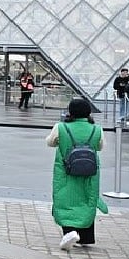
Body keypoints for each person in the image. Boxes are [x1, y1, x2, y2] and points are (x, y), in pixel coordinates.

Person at [47, 98, 108, 250]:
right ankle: (86, 236)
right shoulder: (96, 129)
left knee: (65, 199)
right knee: (87, 199)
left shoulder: (61, 127)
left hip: (65, 172)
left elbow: (50, 142)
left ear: (70, 111)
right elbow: (100, 147)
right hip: (90, 172)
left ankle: (69, 232)